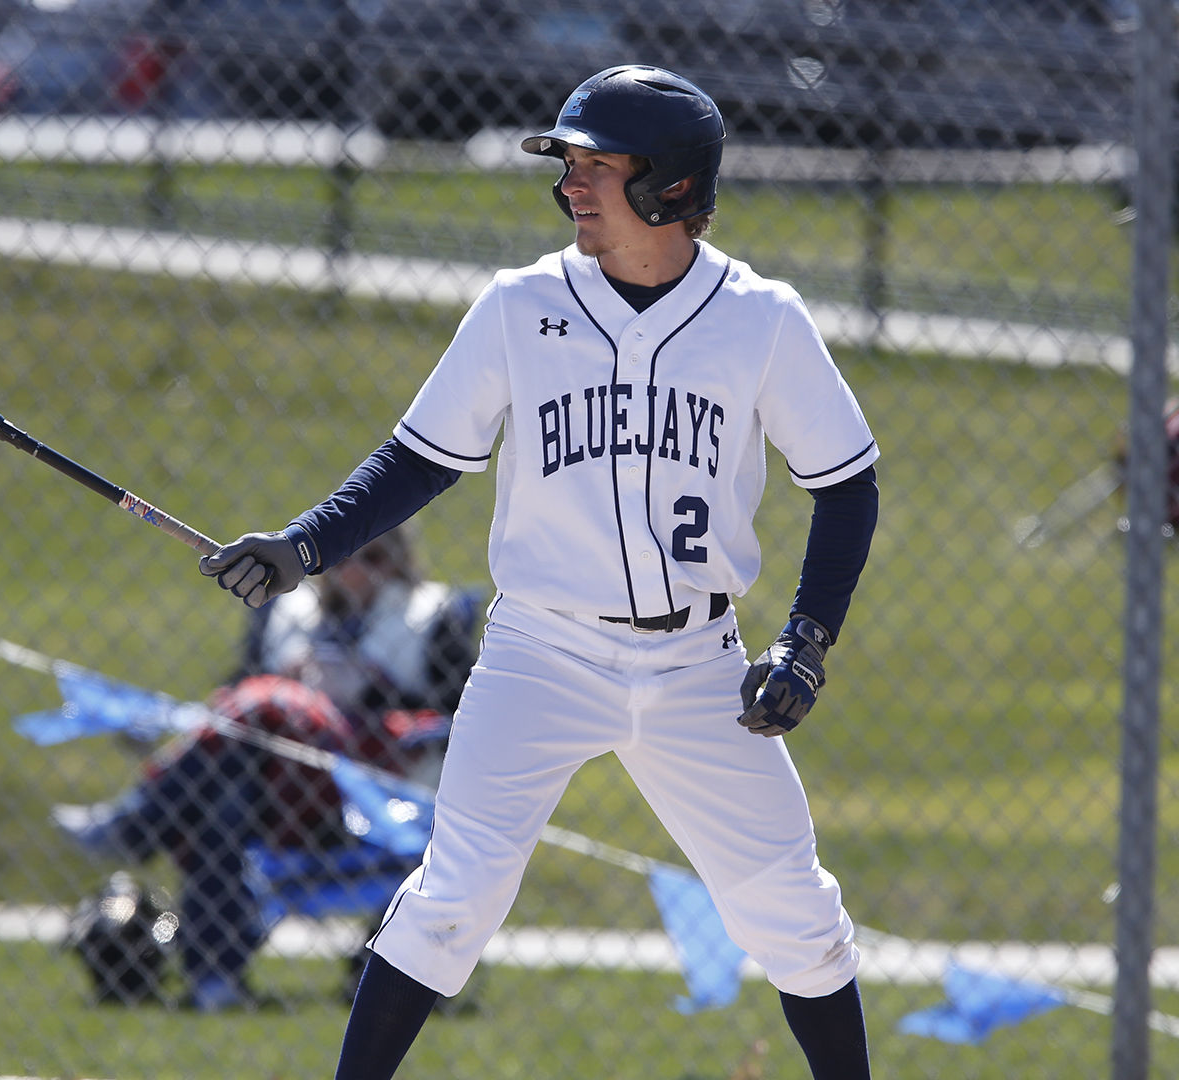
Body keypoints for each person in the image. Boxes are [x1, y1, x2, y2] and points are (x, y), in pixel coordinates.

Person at [198, 66, 880, 1080]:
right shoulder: (521, 307)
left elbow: (848, 484)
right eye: (569, 165)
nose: (573, 187)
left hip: (698, 658)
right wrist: (305, 547)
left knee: (797, 915)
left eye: (599, 166)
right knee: (453, 896)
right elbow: (419, 457)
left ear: (674, 187)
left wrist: (804, 642)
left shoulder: (761, 319)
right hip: (541, 650)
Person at [53, 527, 478, 1011]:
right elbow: (232, 696)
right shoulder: (289, 610)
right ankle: (215, 980)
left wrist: (368, 694)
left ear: (401, 561)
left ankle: (141, 817)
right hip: (282, 788)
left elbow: (463, 717)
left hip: (378, 792)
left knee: (266, 701)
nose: (355, 571)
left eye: (375, 558)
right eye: (343, 558)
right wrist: (299, 682)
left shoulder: (430, 616)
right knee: (226, 792)